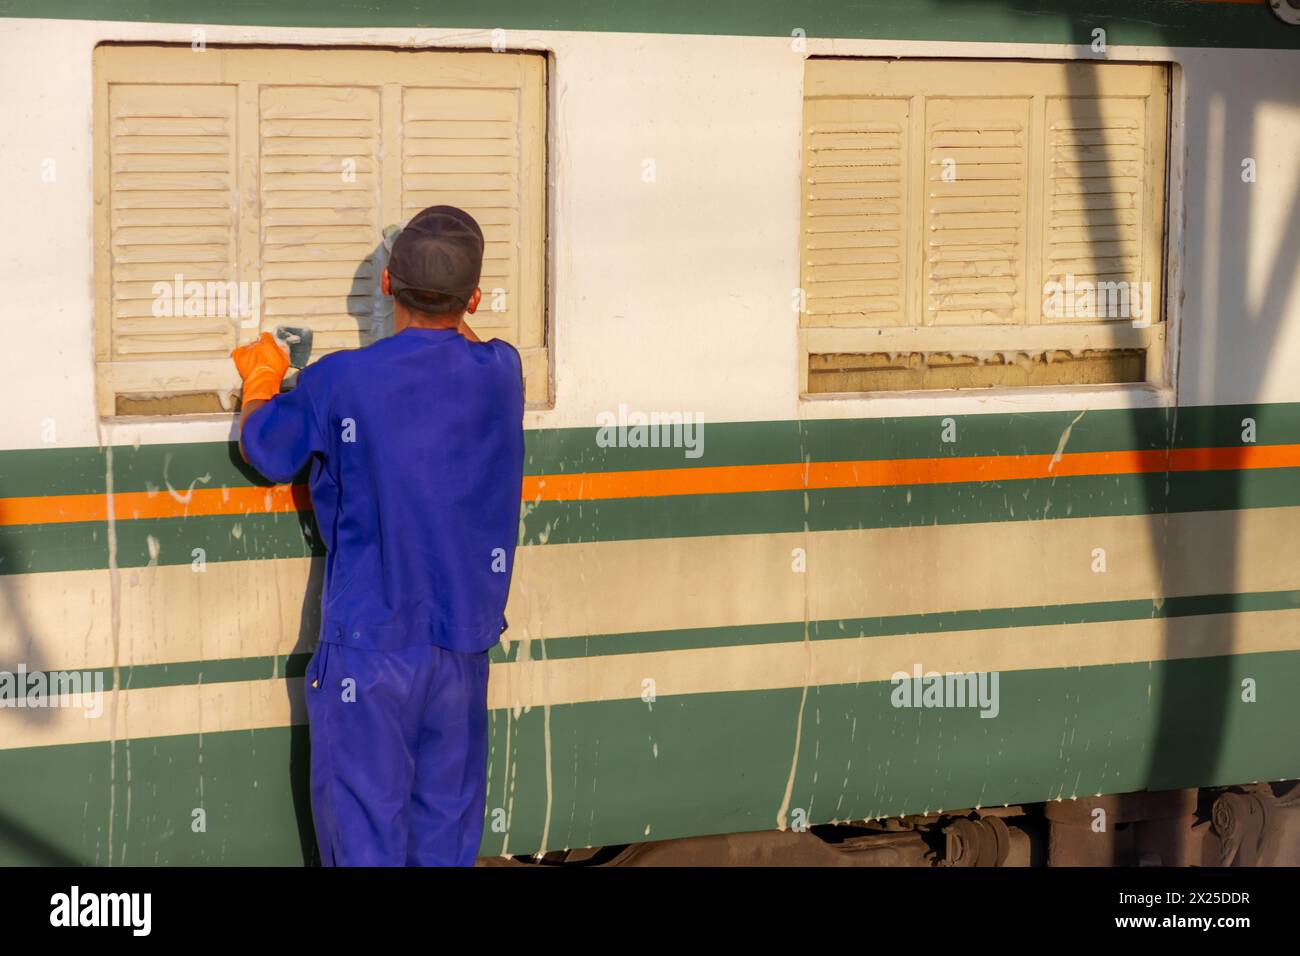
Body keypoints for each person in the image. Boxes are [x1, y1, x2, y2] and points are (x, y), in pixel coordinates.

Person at [230, 206, 525, 866]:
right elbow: (466, 345)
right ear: (474, 299)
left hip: (370, 656)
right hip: (461, 653)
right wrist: (447, 303)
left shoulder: (342, 381)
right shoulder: (502, 373)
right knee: (444, 848)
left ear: (387, 285)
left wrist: (261, 378)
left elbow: (266, 449)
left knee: (365, 845)